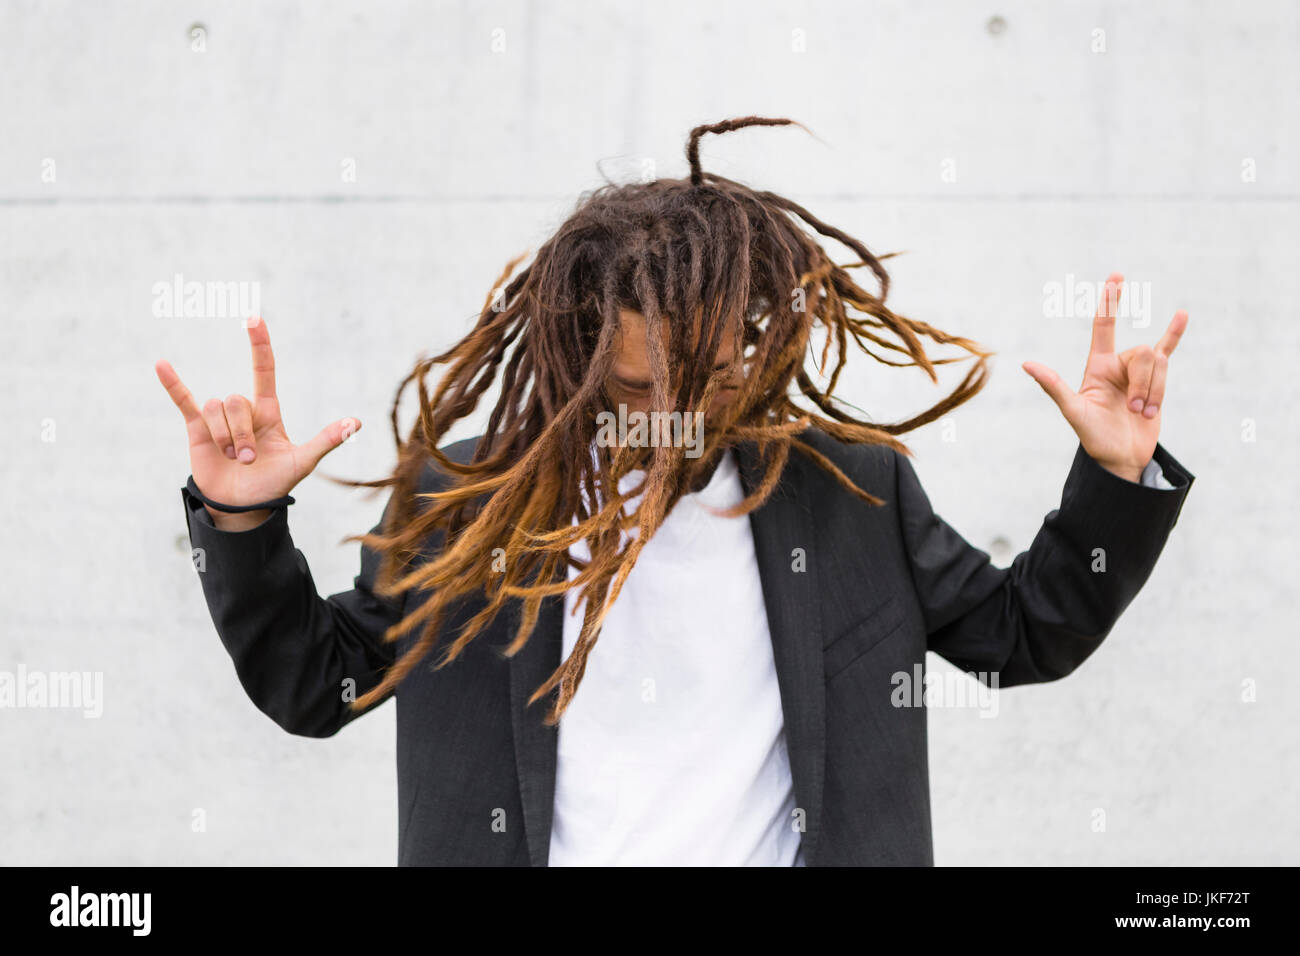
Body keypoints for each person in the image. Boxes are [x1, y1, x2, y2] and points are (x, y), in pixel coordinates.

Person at [155, 116, 1195, 866]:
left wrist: (1114, 474)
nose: (672, 415)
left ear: (749, 341)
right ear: (573, 359)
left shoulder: (846, 490)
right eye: (639, 387)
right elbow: (318, 685)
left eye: (700, 380)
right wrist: (242, 518)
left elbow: (1023, 634)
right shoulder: (469, 496)